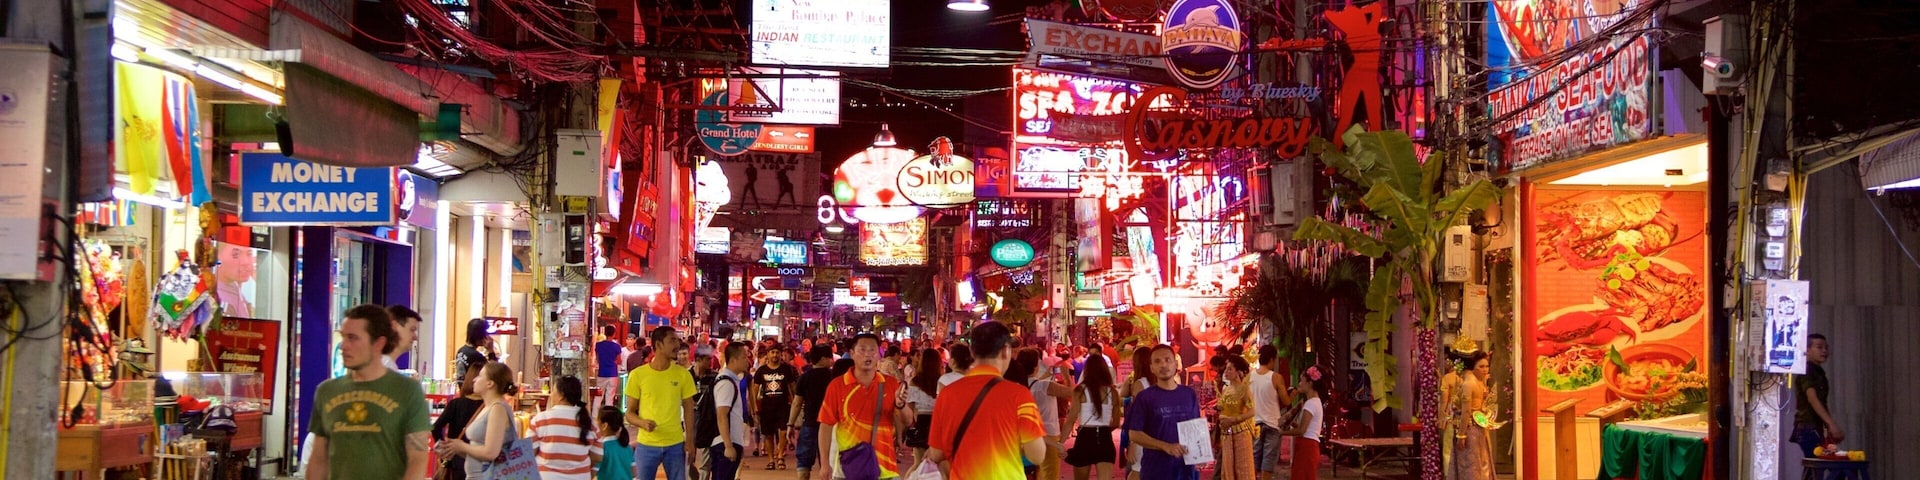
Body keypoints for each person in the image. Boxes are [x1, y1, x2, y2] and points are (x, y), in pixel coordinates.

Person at [304, 305, 431, 480]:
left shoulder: (407, 391)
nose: (343, 346)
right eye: (343, 337)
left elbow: (417, 458)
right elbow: (319, 457)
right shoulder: (326, 391)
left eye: (353, 338)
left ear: (378, 343)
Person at [927, 321, 1047, 480]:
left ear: (971, 351)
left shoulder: (947, 394)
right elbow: (1037, 455)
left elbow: (936, 453)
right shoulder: (1019, 395)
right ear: (1005, 351)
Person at [814, 333, 905, 480]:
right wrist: (825, 464)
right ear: (852, 353)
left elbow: (907, 420)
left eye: (872, 350)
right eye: (862, 350)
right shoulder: (837, 385)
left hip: (886, 469)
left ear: (879, 355)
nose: (867, 355)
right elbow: (825, 425)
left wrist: (901, 405)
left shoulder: (890, 384)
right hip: (848, 469)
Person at [624, 327, 698, 480]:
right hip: (646, 444)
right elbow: (629, 413)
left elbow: (689, 409)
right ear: (658, 345)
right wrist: (642, 423)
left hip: (676, 444)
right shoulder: (638, 375)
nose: (677, 345)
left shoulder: (683, 375)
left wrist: (689, 441)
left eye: (677, 340)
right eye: (672, 340)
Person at [1125, 345, 1203, 480]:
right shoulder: (1145, 397)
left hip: (1185, 469)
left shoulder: (1188, 394)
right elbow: (1134, 434)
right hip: (1156, 470)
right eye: (1157, 361)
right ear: (1151, 368)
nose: (1163, 365)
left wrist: (1201, 453)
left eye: (1167, 360)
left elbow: (1195, 425)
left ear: (1175, 364)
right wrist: (1165, 446)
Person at [439, 363, 521, 480]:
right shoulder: (488, 407)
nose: (474, 380)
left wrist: (462, 446)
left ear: (490, 383)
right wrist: (456, 449)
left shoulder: (497, 408)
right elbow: (479, 450)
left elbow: (490, 453)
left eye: (480, 376)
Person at [1015, 348, 1073, 480]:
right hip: (1048, 434)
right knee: (1049, 473)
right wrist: (1067, 376)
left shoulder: (1017, 387)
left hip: (1024, 435)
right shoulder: (1045, 386)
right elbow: (1071, 392)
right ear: (1036, 366)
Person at [1065, 352, 1123, 480]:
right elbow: (1116, 423)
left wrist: (1061, 442)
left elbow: (1070, 420)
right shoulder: (1112, 392)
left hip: (1084, 437)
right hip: (1104, 438)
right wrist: (1103, 430)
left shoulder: (1080, 390)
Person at [534, 376, 602, 479]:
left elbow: (529, 452)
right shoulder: (591, 424)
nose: (551, 395)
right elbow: (597, 456)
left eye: (553, 391)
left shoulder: (540, 420)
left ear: (561, 396)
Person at [431, 360, 487, 480]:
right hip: (480, 459)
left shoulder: (455, 404)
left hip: (456, 459)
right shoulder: (489, 407)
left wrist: (444, 448)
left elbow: (435, 427)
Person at [791, 347, 838, 480]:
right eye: (830, 357)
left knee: (804, 462)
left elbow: (796, 403)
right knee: (828, 462)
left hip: (809, 423)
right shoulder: (834, 377)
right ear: (823, 359)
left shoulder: (804, 377)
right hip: (830, 425)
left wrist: (790, 424)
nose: (831, 360)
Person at [710, 343, 755, 480]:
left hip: (730, 441)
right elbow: (722, 415)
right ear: (733, 360)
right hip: (725, 443)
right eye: (743, 357)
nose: (747, 361)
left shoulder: (733, 380)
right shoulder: (726, 382)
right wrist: (728, 446)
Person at [1792, 333, 1840, 457]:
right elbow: (1813, 398)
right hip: (1808, 427)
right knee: (1819, 465)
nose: (1824, 351)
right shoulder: (1807, 371)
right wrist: (1831, 424)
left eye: (1826, 347)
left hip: (1815, 426)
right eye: (1819, 347)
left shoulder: (1819, 373)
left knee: (1816, 468)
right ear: (1807, 350)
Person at [754, 345, 801, 470]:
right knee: (768, 434)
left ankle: (780, 455)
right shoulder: (761, 371)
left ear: (781, 355)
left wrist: (796, 401)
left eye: (777, 353)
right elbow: (754, 390)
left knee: (784, 431)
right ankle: (770, 459)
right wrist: (754, 408)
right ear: (768, 354)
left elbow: (792, 387)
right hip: (766, 407)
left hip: (783, 406)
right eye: (772, 352)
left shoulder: (786, 369)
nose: (775, 355)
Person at [1450, 353, 1494, 480]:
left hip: (1469, 430)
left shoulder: (1468, 384)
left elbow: (1466, 412)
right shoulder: (1479, 383)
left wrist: (1461, 435)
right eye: (1482, 366)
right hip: (1478, 429)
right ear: (1473, 368)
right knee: (1480, 463)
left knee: (1470, 466)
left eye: (1486, 366)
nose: (1485, 369)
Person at [1248, 346, 1289, 480]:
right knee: (1268, 461)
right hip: (1272, 423)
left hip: (1255, 423)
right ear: (1272, 359)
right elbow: (1286, 401)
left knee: (1254, 459)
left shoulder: (1250, 376)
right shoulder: (1276, 377)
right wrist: (1294, 394)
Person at [1280, 367, 1326, 480]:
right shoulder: (1314, 402)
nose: (1299, 384)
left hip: (1307, 446)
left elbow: (1302, 430)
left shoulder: (1310, 404)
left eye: (1302, 381)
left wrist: (1281, 432)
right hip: (1307, 446)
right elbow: (1305, 427)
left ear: (1310, 383)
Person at [1217, 356, 1257, 480]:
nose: (1226, 372)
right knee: (1228, 469)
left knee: (1243, 468)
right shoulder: (1226, 389)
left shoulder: (1244, 389)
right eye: (1226, 369)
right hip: (1226, 433)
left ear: (1238, 372)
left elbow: (1252, 411)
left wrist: (1234, 420)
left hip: (1241, 432)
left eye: (1230, 369)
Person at [902, 348, 942, 470]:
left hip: (921, 422)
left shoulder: (915, 382)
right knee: (938, 463)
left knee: (918, 463)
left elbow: (910, 406)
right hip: (938, 423)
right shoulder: (941, 381)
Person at [1121, 347, 1155, 480]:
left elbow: (1138, 415)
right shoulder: (1157, 382)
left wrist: (1133, 443)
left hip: (1141, 435)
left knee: (1135, 472)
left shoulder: (1140, 384)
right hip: (1155, 434)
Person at [597, 406, 637, 480]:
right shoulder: (627, 447)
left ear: (604, 425)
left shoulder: (601, 448)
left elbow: (593, 471)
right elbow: (634, 473)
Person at [385, 305, 422, 371]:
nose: (415, 337)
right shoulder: (384, 368)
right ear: (394, 326)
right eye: (412, 330)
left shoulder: (388, 366)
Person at [596, 325, 625, 407]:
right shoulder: (616, 346)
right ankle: (608, 417)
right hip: (612, 374)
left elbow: (598, 359)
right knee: (610, 398)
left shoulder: (599, 345)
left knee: (598, 397)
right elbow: (619, 361)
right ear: (614, 333)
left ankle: (594, 417)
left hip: (601, 373)